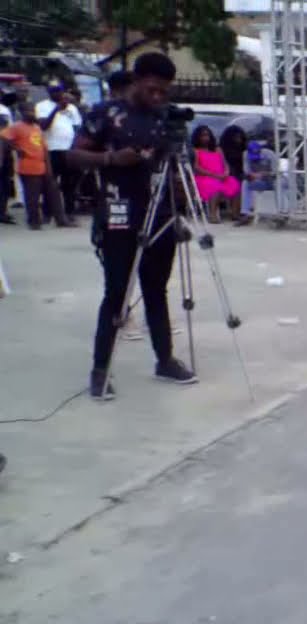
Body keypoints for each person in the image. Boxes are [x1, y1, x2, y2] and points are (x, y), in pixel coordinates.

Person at [70, 52, 197, 400]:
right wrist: (111, 158)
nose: (158, 96)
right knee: (117, 294)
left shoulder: (166, 118)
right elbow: (73, 156)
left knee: (157, 290)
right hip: (118, 213)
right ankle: (100, 369)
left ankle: (165, 360)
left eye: (164, 91)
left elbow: (179, 164)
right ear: (136, 80)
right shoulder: (105, 114)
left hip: (160, 215)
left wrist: (180, 200)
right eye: (152, 89)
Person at [0, 102, 75, 229]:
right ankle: (34, 222)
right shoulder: (17, 127)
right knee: (32, 197)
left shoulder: (36, 127)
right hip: (28, 167)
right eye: (28, 111)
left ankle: (61, 220)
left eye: (33, 111)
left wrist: (48, 167)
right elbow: (3, 138)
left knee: (54, 194)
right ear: (22, 113)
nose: (32, 113)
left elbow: (44, 148)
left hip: (43, 166)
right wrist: (16, 148)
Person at [35, 83, 83, 217]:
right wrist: (57, 109)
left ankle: (69, 212)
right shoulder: (42, 106)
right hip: (51, 149)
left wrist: (75, 145)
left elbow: (77, 127)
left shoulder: (72, 107)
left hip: (69, 150)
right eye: (54, 91)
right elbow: (43, 126)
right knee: (50, 182)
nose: (57, 94)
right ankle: (48, 213)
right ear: (49, 93)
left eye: (59, 91)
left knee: (69, 183)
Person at [190, 125, 240, 223]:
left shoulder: (218, 149)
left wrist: (226, 173)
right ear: (198, 137)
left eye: (207, 135)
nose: (206, 138)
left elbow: (225, 164)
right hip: (204, 178)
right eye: (203, 135)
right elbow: (196, 167)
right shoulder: (196, 151)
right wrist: (213, 175)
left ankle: (235, 213)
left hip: (221, 176)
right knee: (214, 185)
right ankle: (212, 215)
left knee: (234, 183)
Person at [236, 140, 282, 224]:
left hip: (271, 181)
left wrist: (264, 174)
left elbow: (277, 172)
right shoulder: (245, 154)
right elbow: (246, 172)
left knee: (279, 183)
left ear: (260, 150)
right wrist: (252, 175)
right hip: (258, 182)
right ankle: (246, 213)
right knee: (245, 183)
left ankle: (280, 212)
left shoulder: (269, 154)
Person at [219, 125, 249, 219]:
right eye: (236, 137)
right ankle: (235, 213)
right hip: (226, 173)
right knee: (237, 184)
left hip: (239, 173)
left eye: (240, 137)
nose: (238, 140)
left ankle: (240, 211)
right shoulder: (223, 150)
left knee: (241, 182)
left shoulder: (243, 149)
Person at [0, 94, 15, 225]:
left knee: (5, 184)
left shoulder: (4, 110)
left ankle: (2, 211)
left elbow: (9, 130)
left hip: (5, 152)